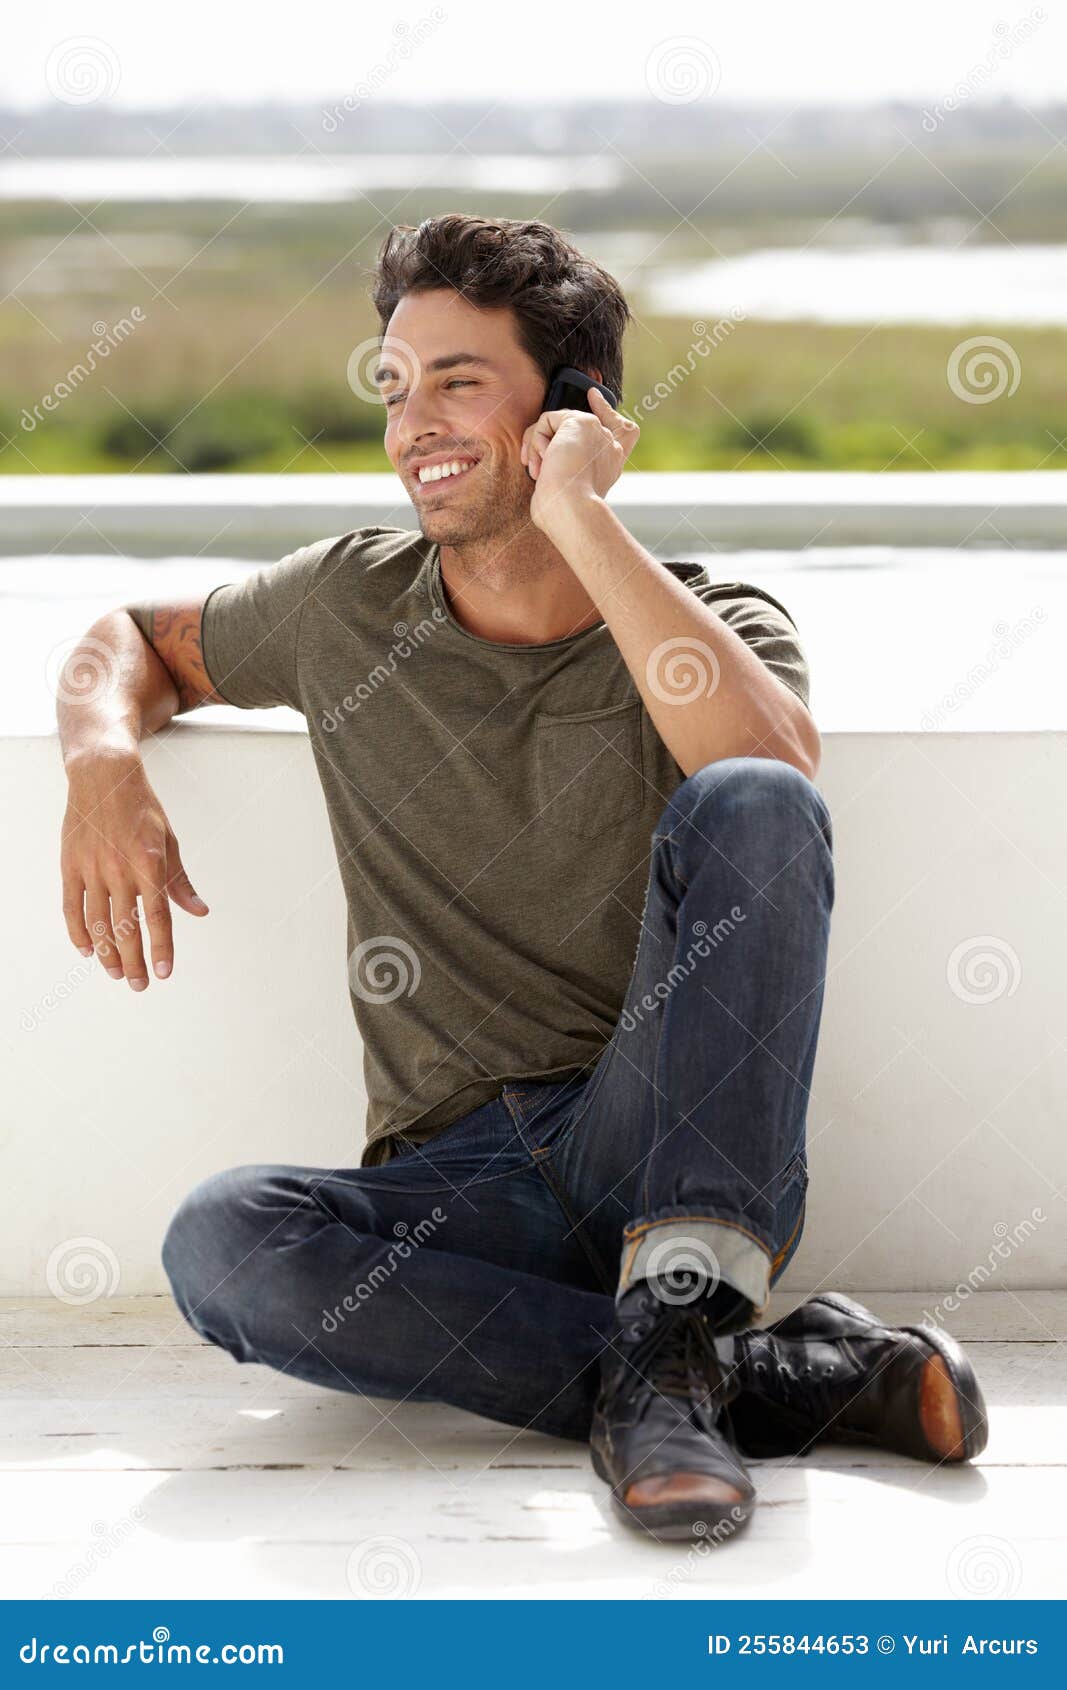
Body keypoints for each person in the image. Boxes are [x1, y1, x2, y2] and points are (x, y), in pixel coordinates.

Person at [57, 215, 987, 1544]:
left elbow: (770, 774)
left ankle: (678, 1322)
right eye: (396, 385)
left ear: (573, 408)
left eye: (458, 383)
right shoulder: (346, 606)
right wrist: (102, 762)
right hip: (453, 1188)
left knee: (753, 798)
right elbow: (133, 639)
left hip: (657, 1152)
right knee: (223, 1243)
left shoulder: (714, 624)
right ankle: (725, 1369)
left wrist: (578, 514)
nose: (413, 426)